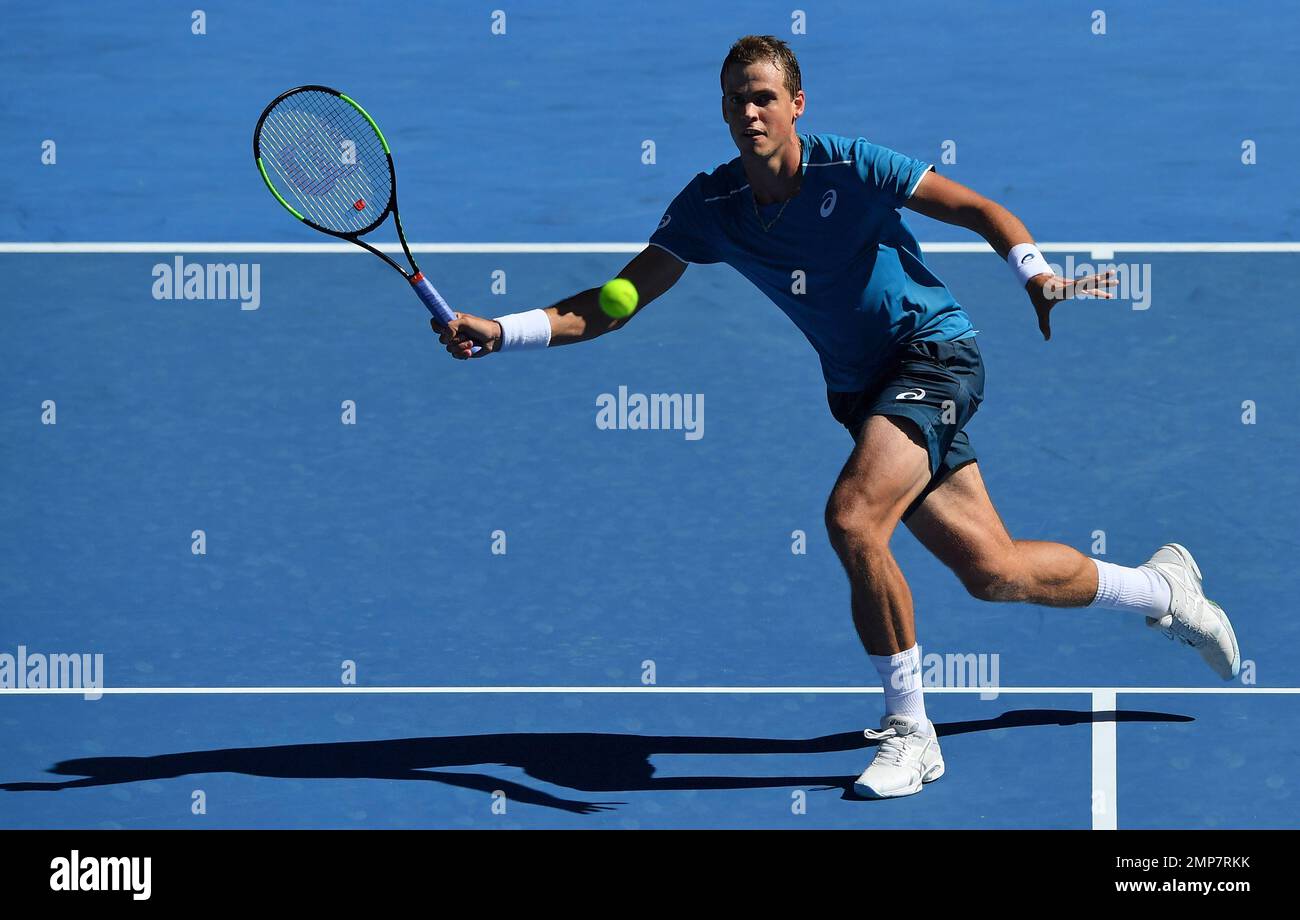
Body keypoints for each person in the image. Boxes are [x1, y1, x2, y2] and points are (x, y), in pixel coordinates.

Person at [433, 35, 1241, 799]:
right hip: (861, 393)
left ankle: (912, 732)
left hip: (933, 356)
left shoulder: (850, 165)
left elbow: (977, 209)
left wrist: (1035, 274)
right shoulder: (710, 205)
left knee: (854, 519)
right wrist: (502, 333)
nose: (748, 114)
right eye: (733, 102)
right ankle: (1161, 589)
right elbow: (617, 302)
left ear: (796, 104)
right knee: (993, 572)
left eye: (763, 98)